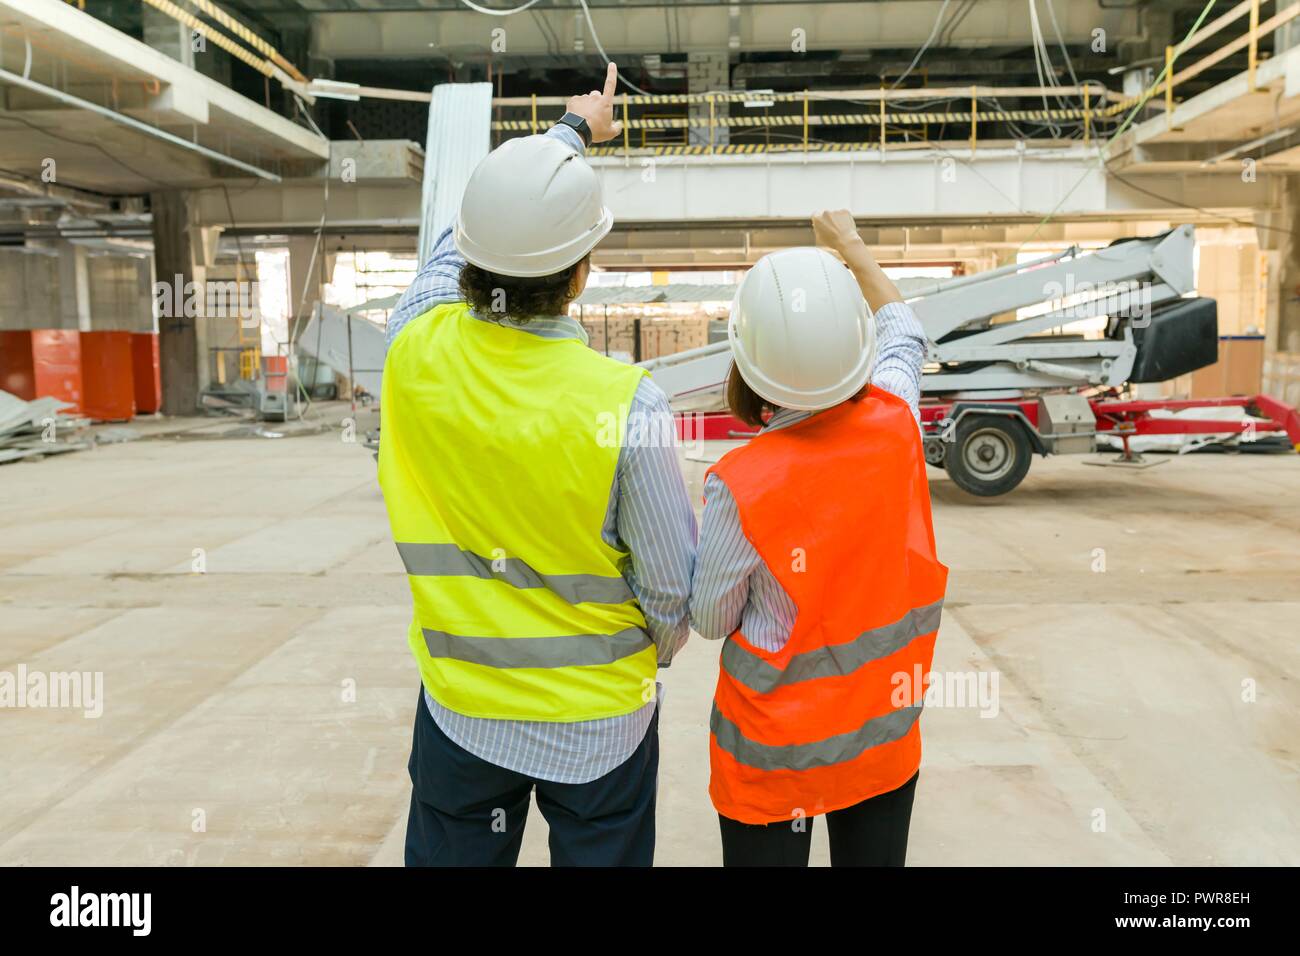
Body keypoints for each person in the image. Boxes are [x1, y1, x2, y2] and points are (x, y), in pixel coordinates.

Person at [379, 64, 697, 867]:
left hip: (462, 709)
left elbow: (458, 245)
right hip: (598, 725)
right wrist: (642, 653)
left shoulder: (411, 347)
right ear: (582, 272)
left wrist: (566, 132)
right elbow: (668, 594)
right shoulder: (629, 405)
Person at [689, 209, 947, 867]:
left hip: (777, 758)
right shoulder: (897, 423)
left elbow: (712, 619)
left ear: (746, 361)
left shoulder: (741, 483)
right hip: (882, 739)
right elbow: (905, 333)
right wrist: (851, 247)